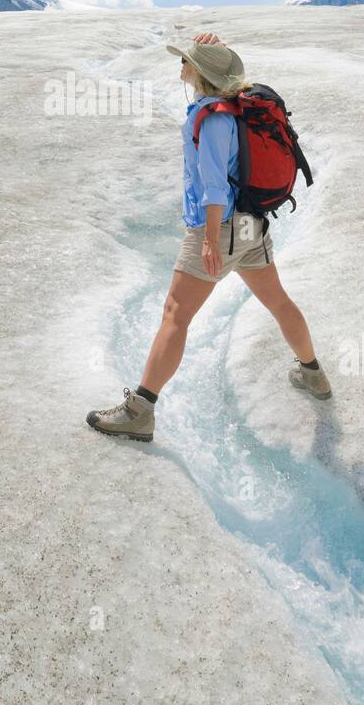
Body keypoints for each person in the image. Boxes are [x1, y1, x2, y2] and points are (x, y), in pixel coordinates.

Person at [86, 32, 330, 443]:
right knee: (278, 301)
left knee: (175, 315)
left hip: (221, 227)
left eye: (186, 62)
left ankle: (139, 412)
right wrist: (216, 50)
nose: (180, 67)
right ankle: (314, 376)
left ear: (200, 73)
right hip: (251, 225)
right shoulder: (233, 108)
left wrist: (211, 240)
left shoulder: (213, 118)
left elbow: (215, 185)